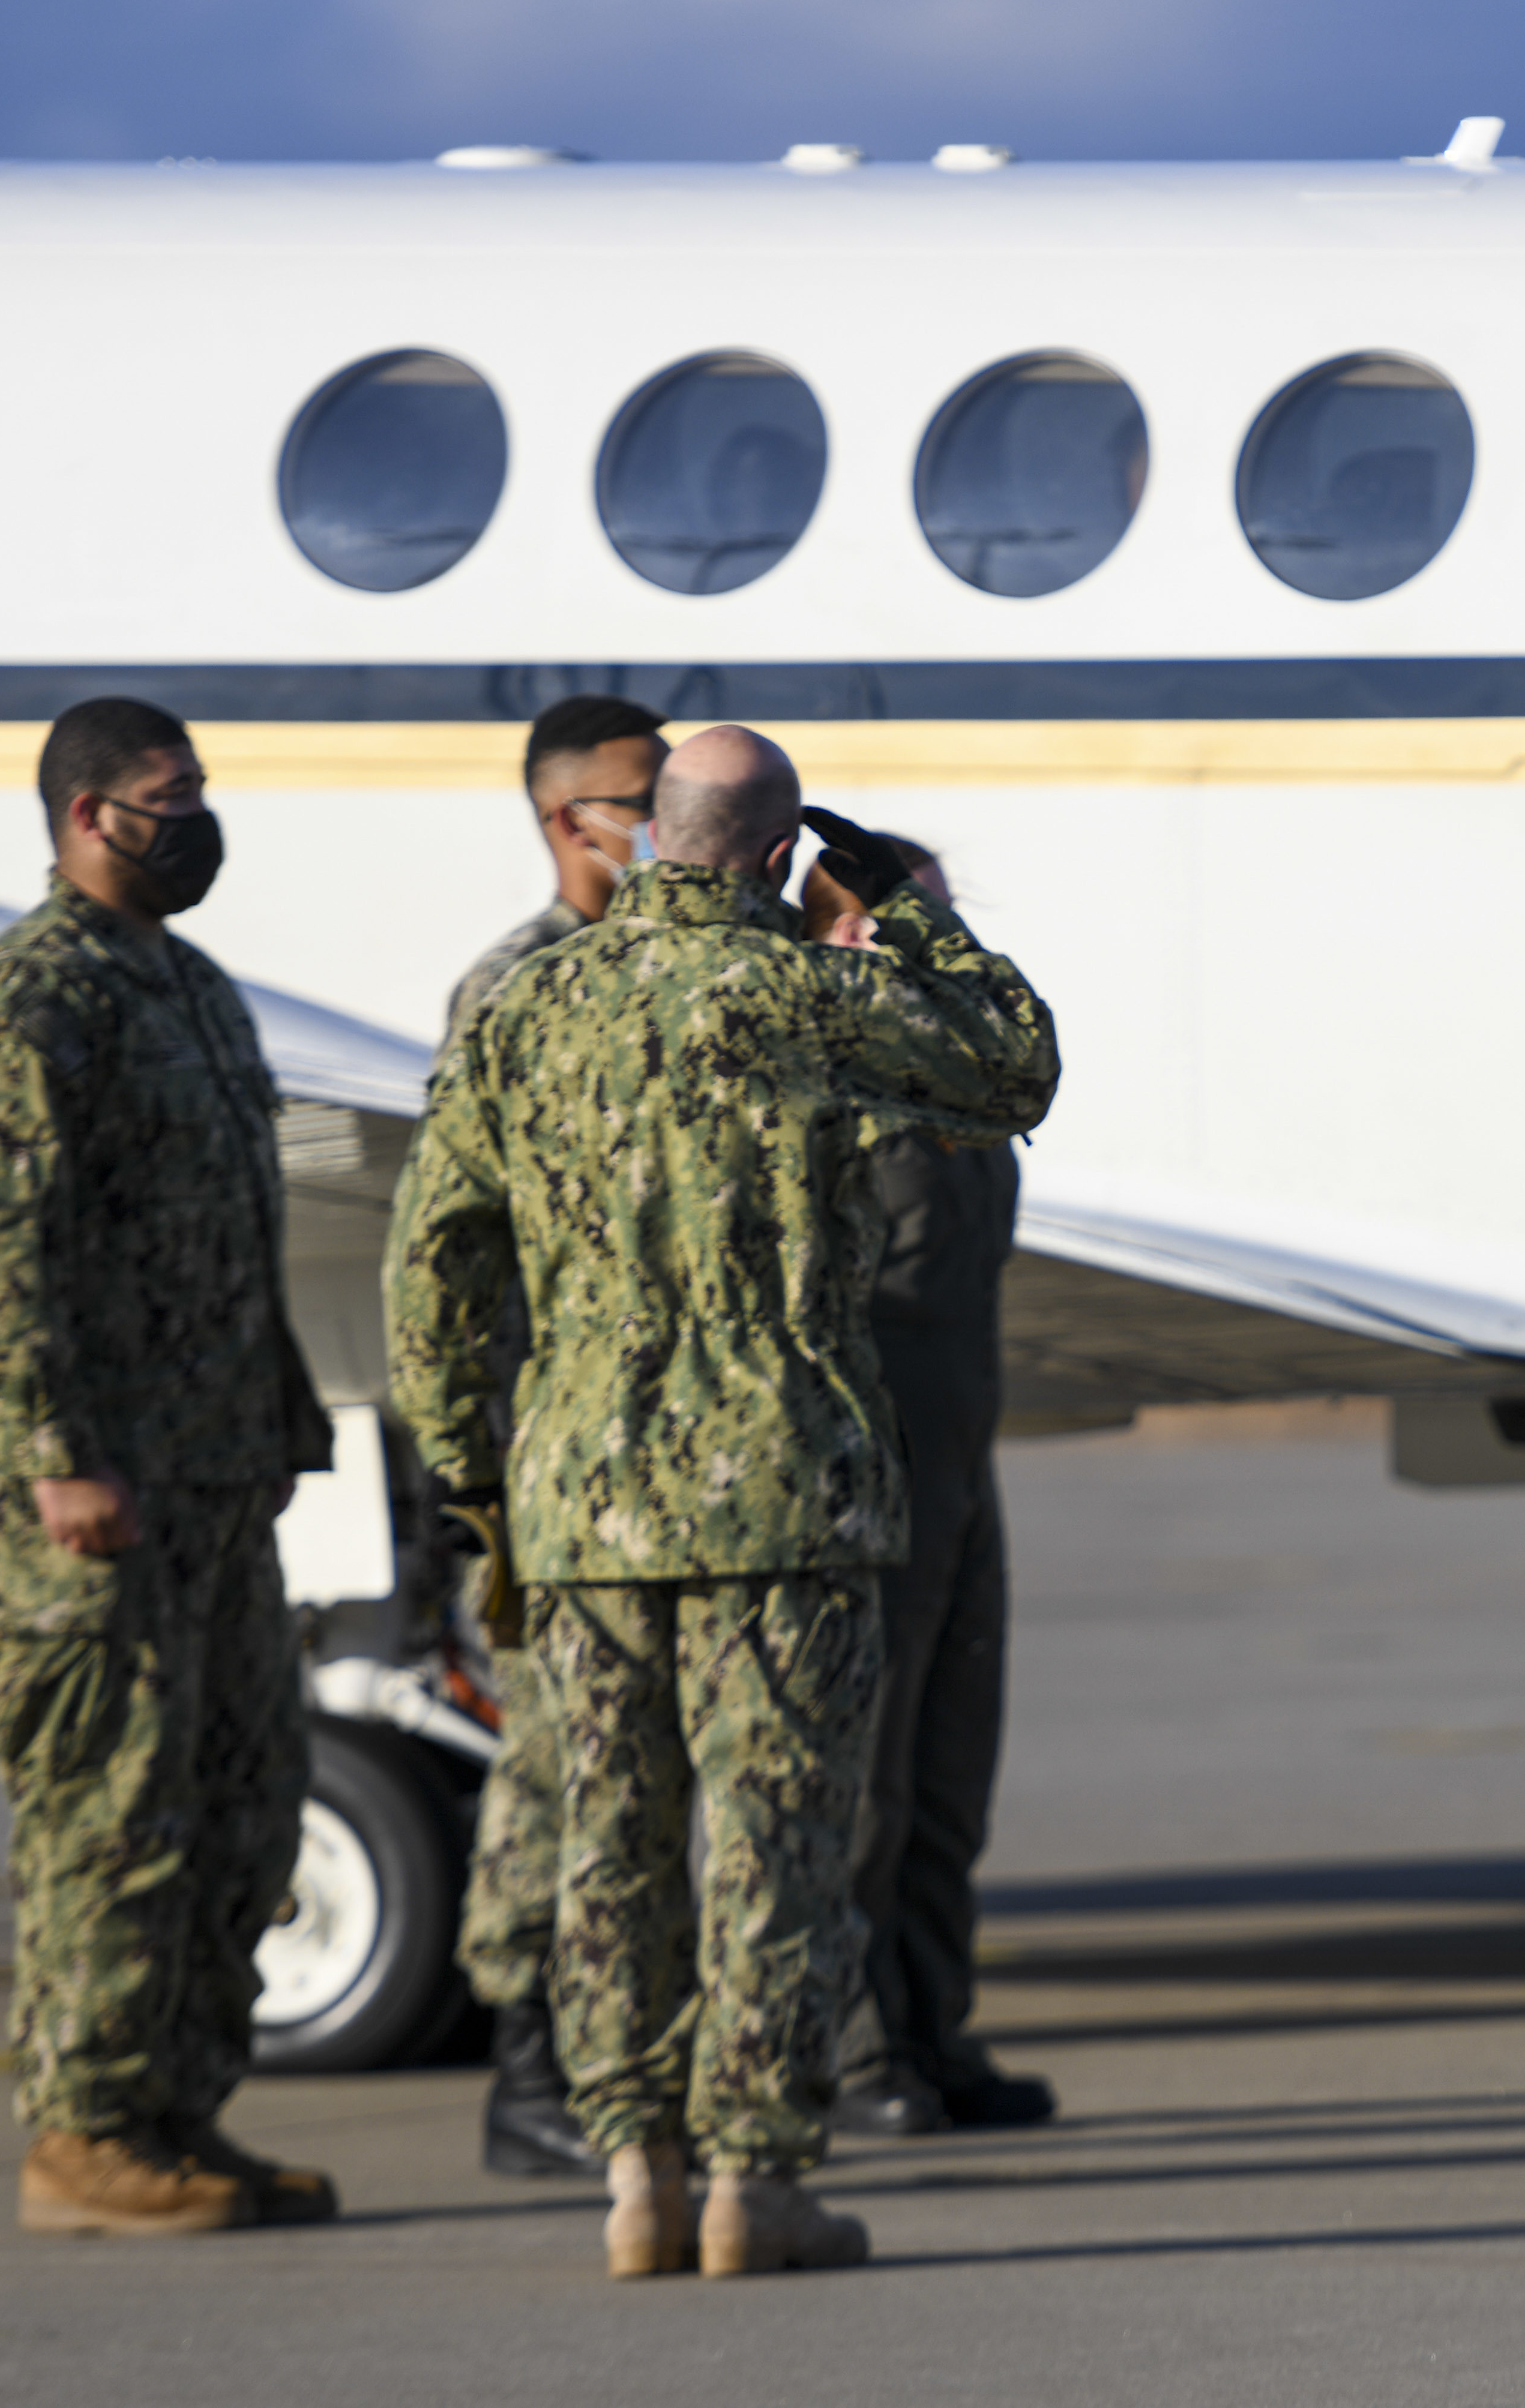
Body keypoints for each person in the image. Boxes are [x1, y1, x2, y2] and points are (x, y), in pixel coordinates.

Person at [383, 728, 1059, 2281]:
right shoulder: (804, 995)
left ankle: (637, 2174)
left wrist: (480, 1479)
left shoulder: (523, 1010)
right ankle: (756, 2179)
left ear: (645, 843)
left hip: (582, 1508)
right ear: (771, 860)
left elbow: (437, 1260)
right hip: (779, 1496)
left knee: (611, 1847)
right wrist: (905, 908)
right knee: (774, 1843)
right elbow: (1012, 1060)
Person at [0, 694, 338, 2236]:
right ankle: (83, 2134)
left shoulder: (192, 987)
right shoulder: (30, 1000)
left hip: (214, 1477)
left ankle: (175, 2111)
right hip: (88, 1494)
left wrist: (279, 1428)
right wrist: (59, 1457)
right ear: (91, 814)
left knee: (247, 1802)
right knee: (112, 1812)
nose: (199, 816)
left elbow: (231, 1234)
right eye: (173, 794)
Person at [441, 694, 673, 2181]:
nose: (664, 821)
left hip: (666, 1454)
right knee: (553, 1770)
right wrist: (476, 1470)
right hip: (554, 1451)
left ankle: (621, 2063)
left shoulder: (685, 971)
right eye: (637, 799)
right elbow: (454, 1244)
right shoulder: (512, 991)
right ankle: (526, 2067)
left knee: (647, 1776)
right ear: (565, 823)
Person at [800, 835, 1056, 2139]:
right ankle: (855, 2050)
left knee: (953, 1769)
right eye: (918, 921)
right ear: (849, 940)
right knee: (871, 1779)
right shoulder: (815, 1084)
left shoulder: (953, 1087)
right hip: (875, 1466)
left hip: (960, 1462)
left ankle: (933, 2029)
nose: (943, 942)